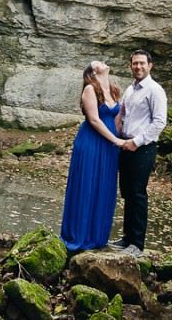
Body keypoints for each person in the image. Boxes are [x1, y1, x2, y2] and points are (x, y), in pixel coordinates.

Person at [60, 60, 129, 252]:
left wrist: (124, 138)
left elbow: (116, 121)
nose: (103, 61)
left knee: (104, 186)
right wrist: (116, 141)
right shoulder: (90, 89)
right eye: (97, 62)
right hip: (91, 142)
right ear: (92, 71)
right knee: (87, 185)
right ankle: (78, 236)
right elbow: (94, 120)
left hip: (109, 146)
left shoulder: (113, 90)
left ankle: (97, 236)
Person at [109, 49, 168, 257]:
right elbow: (122, 114)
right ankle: (127, 238)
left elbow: (160, 122)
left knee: (138, 193)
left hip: (143, 148)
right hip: (126, 145)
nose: (138, 67)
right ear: (130, 65)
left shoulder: (154, 90)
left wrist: (137, 141)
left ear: (150, 65)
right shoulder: (130, 89)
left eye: (142, 63)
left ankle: (137, 243)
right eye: (135, 63)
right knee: (127, 192)